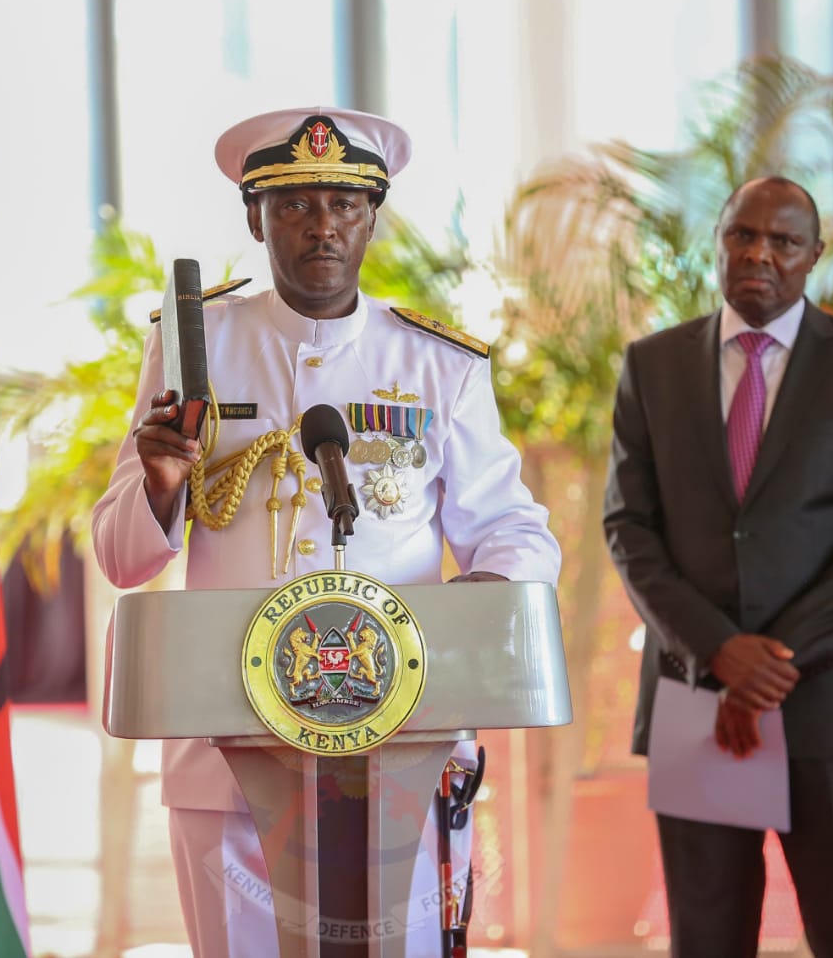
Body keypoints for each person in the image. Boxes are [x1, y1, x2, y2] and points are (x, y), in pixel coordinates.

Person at [92, 106, 561, 956]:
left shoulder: (437, 365)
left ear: (373, 217)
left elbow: (513, 529)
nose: (322, 225)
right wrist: (162, 484)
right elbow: (122, 556)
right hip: (225, 745)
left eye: (345, 204)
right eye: (296, 203)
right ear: (254, 216)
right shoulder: (196, 347)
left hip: (399, 744)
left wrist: (475, 610)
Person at [602, 176, 833, 958]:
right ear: (717, 241)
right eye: (744, 234)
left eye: (783, 242)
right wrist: (718, 649)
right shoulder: (652, 367)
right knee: (708, 938)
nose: (760, 254)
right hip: (695, 699)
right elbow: (629, 526)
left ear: (814, 257)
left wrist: (772, 660)